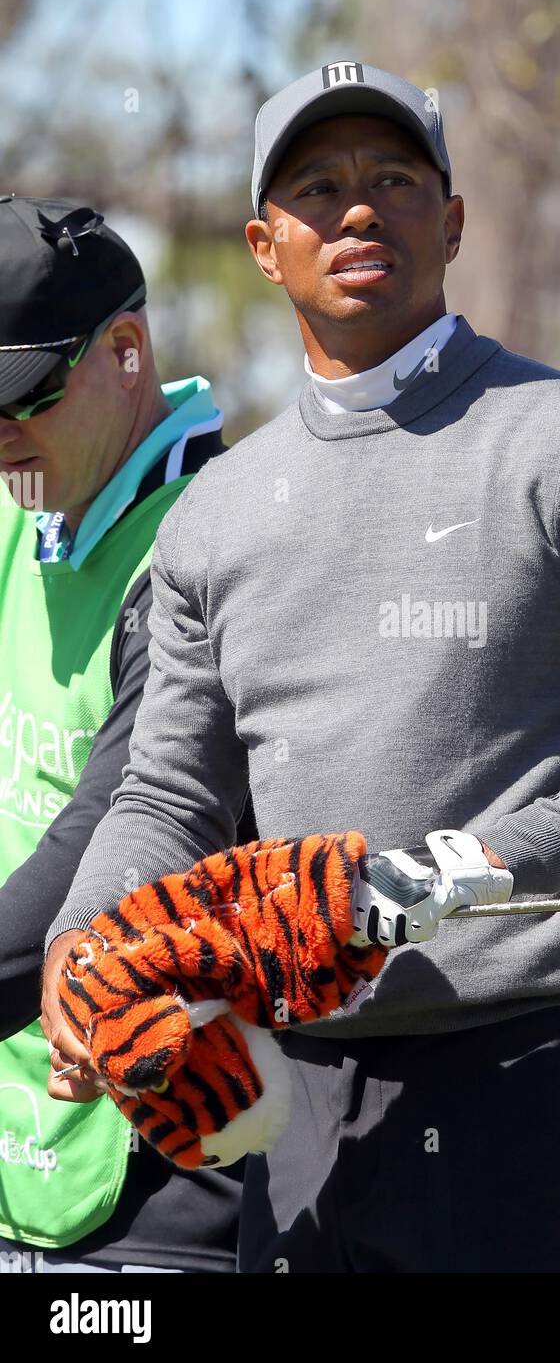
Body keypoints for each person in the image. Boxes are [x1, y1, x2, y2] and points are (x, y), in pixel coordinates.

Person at [45, 64, 560, 1274]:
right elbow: (169, 793)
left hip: (533, 1078)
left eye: (393, 179)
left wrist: (478, 863)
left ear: (450, 224)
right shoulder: (214, 513)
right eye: (316, 188)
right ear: (262, 246)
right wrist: (84, 943)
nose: (357, 208)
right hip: (295, 1097)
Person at [0, 196, 250, 1272]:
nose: (1, 435)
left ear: (127, 350)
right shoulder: (23, 504)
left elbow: (114, 825)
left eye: (24, 397)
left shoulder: (211, 537)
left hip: (163, 1190)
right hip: (18, 1144)